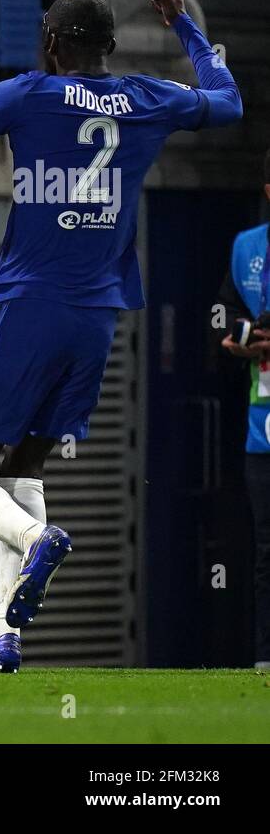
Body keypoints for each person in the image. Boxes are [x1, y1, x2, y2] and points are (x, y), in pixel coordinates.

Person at [0, 0, 242, 673]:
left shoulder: (28, 93)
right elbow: (229, 102)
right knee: (25, 465)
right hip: (98, 316)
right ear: (109, 48)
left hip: (31, 303)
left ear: (53, 43)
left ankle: (37, 539)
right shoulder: (147, 96)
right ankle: (3, 637)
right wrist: (186, 26)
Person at [216, 148, 270, 670]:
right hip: (263, 424)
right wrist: (238, 341)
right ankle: (265, 661)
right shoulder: (247, 249)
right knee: (265, 549)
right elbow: (222, 316)